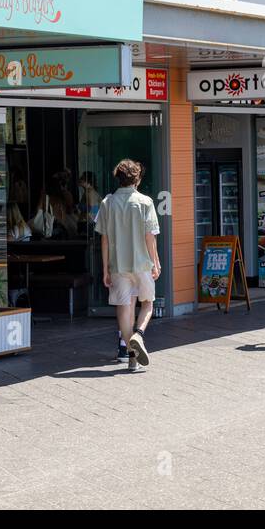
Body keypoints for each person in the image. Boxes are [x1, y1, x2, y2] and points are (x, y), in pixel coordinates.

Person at [96, 159, 161, 371]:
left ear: (118, 178)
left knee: (124, 310)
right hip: (142, 264)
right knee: (148, 303)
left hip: (118, 266)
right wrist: (155, 262)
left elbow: (104, 239)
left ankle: (132, 356)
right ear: (137, 179)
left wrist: (105, 268)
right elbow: (150, 236)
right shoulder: (145, 202)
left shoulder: (107, 203)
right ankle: (139, 335)